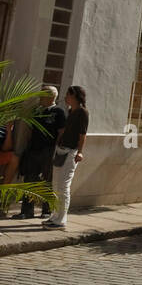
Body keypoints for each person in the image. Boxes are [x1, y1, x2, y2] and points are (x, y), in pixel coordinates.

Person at [16, 87, 67, 219]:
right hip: (34, 149)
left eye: (42, 96)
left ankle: (47, 211)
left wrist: (56, 150)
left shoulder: (58, 112)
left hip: (49, 150)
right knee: (30, 180)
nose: (40, 98)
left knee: (48, 181)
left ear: (50, 97)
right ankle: (26, 211)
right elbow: (30, 130)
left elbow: (61, 132)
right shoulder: (36, 111)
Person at [44, 86, 89, 229]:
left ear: (74, 96)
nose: (65, 97)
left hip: (71, 152)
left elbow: (82, 135)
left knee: (64, 186)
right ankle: (55, 216)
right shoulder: (71, 111)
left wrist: (80, 152)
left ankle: (61, 220)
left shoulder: (82, 112)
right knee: (56, 185)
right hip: (61, 150)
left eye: (67, 95)